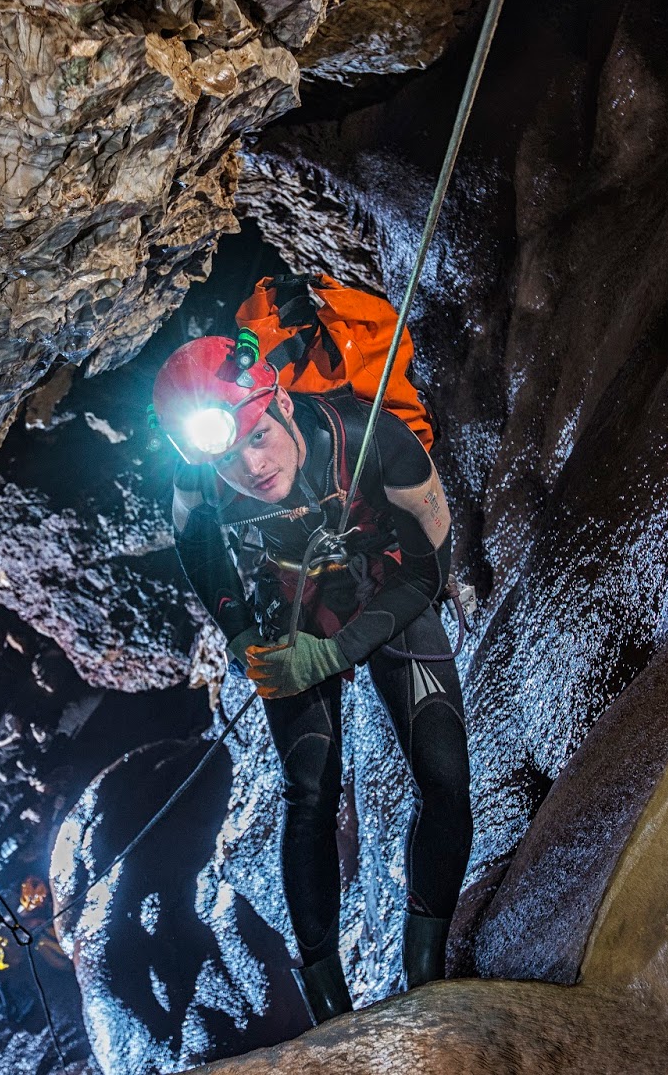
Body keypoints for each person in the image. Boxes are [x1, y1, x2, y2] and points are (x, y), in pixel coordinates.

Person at [153, 333, 473, 1025]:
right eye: (229, 456)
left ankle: (427, 966)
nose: (252, 465)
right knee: (309, 798)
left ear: (285, 406)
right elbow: (198, 550)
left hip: (385, 592)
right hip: (286, 613)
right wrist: (241, 636)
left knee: (445, 779)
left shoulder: (373, 440)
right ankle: (329, 1005)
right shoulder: (198, 483)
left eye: (260, 436)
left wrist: (329, 656)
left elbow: (429, 568)